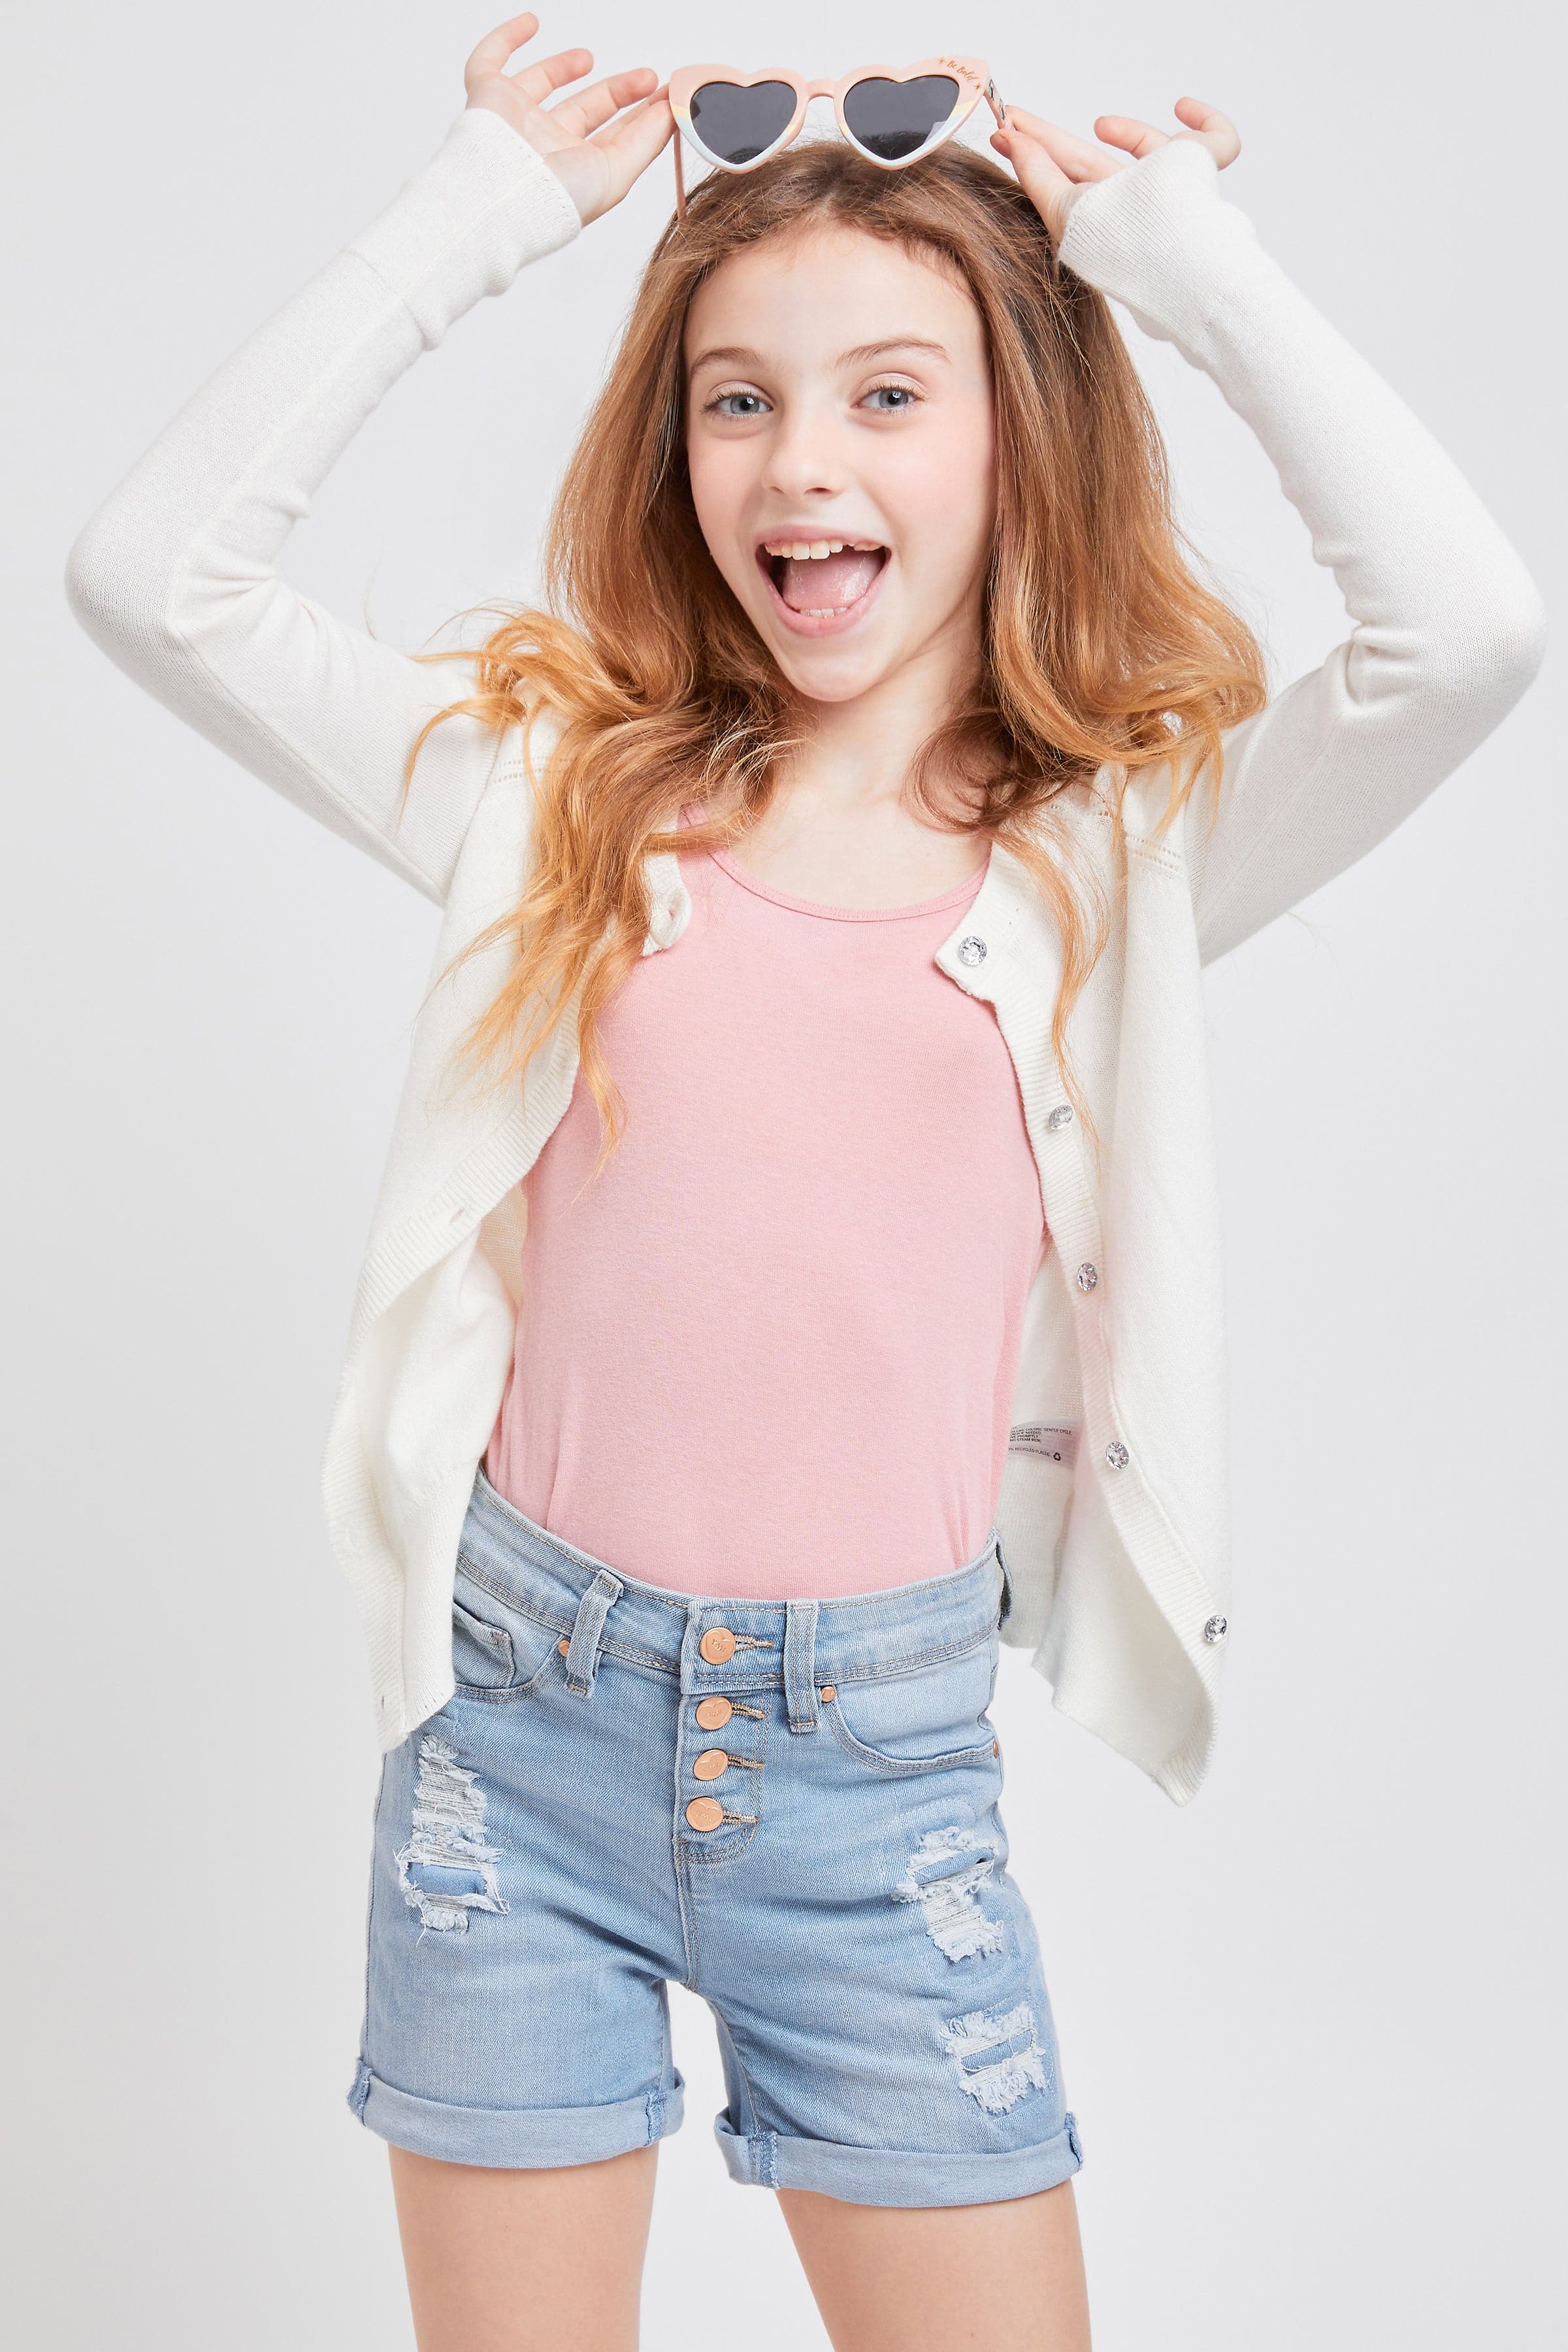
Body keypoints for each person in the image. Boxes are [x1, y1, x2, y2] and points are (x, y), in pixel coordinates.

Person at [63, 14, 1545, 2350]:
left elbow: (1465, 637)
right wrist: (472, 219)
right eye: (736, 396)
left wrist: (1187, 266)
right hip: (515, 1735)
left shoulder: (1116, 852)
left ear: (1018, 430)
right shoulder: (558, 806)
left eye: (889, 392)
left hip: (876, 1778)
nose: (801, 459)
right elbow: (157, 581)